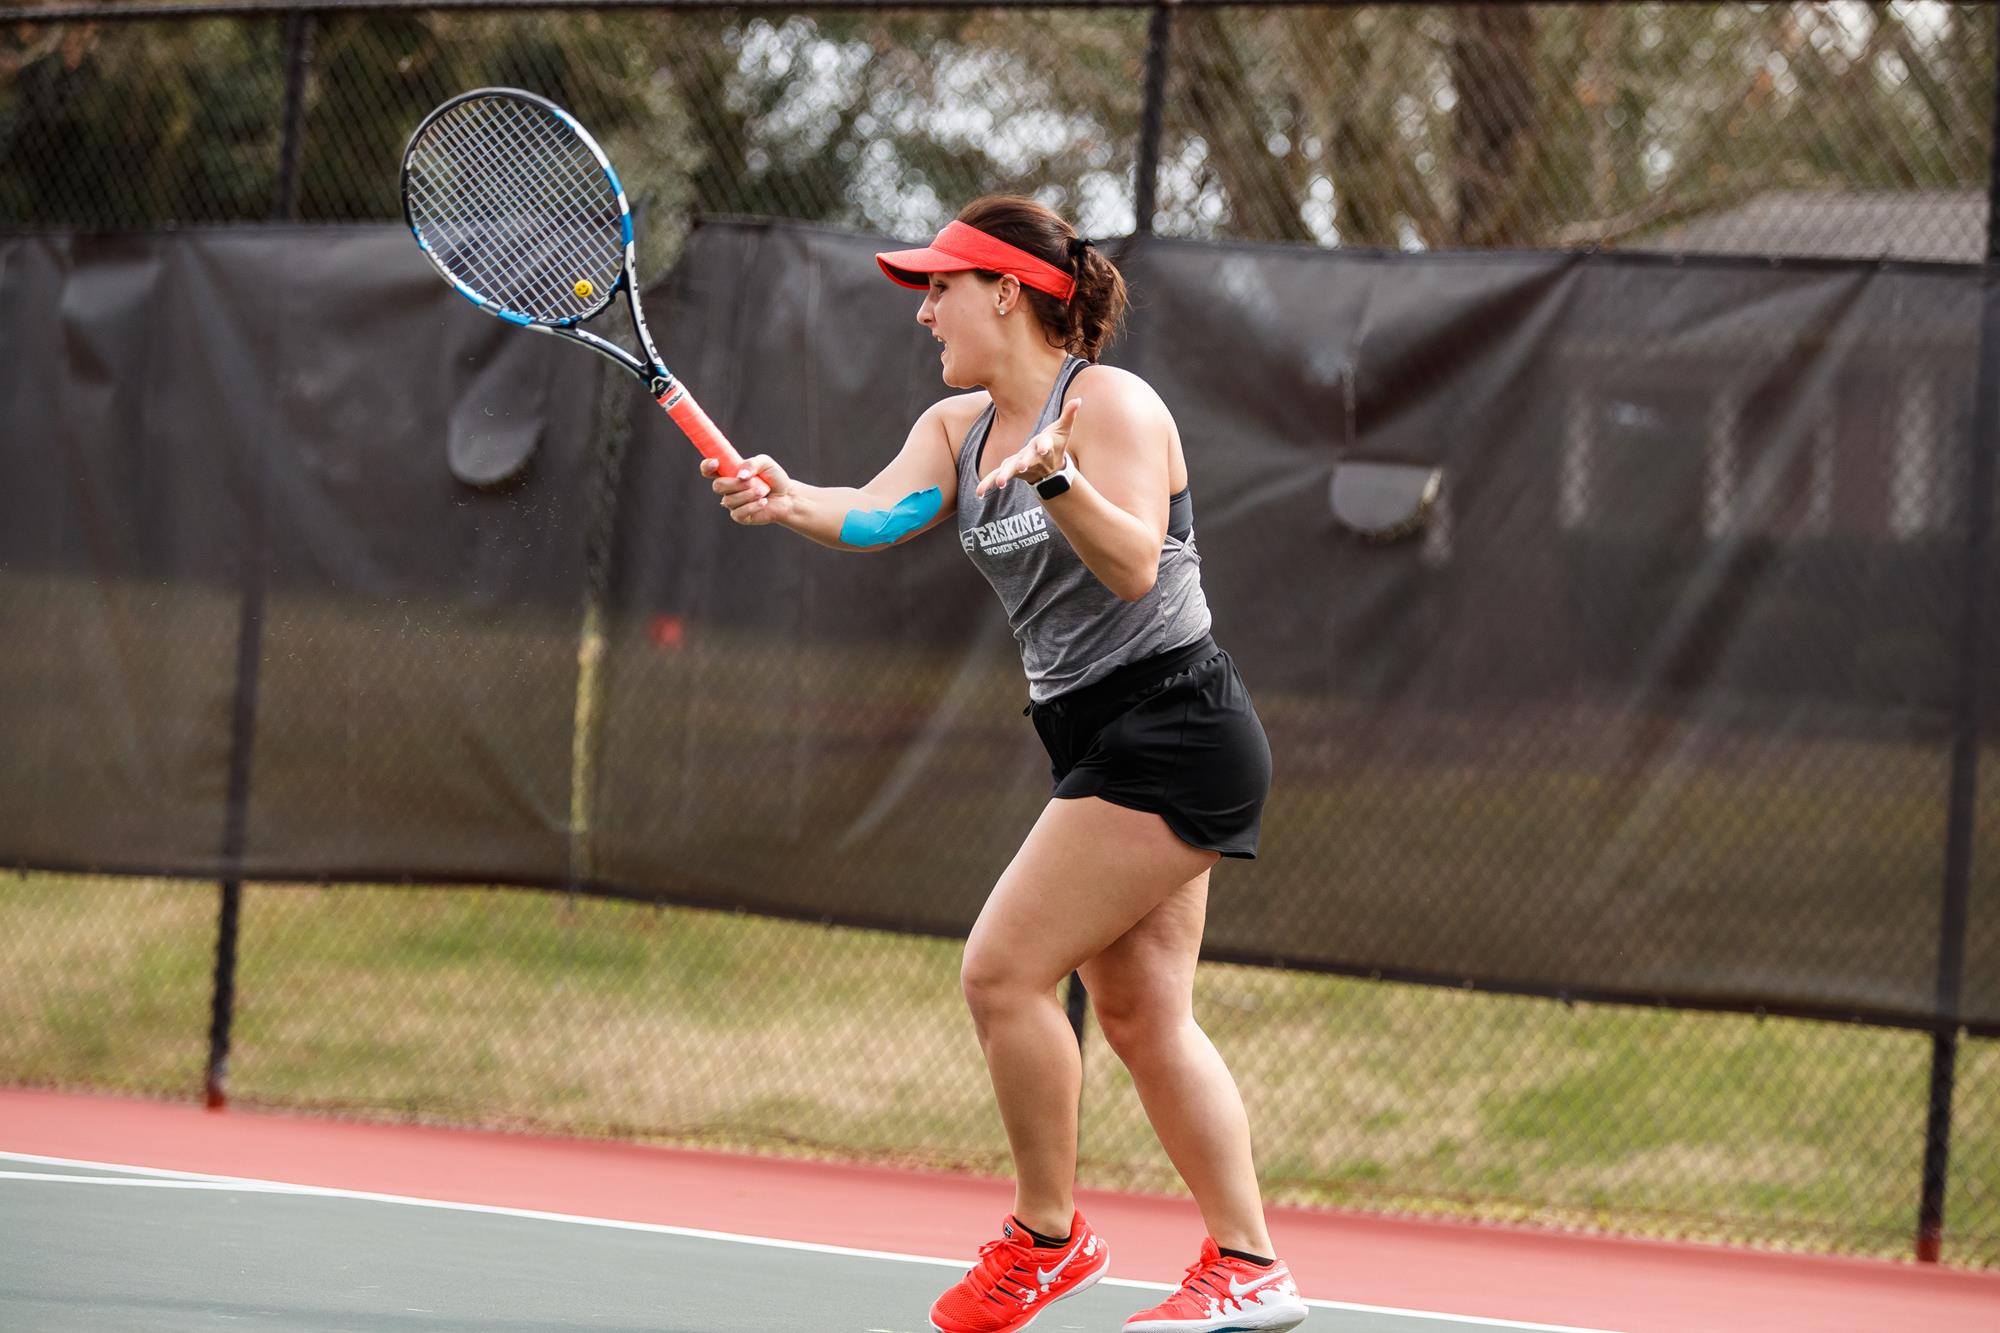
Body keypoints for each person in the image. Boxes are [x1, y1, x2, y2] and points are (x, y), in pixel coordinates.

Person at [700, 195, 1307, 1333]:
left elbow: (1135, 566)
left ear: (1009, 293)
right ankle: (1249, 1265)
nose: (924, 310)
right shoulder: (955, 427)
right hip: (1093, 732)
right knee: (1143, 1017)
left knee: (1000, 972)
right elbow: (877, 516)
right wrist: (788, 502)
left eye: (941, 287)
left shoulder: (1111, 405)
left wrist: (1057, 479)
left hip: (1174, 722)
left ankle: (1046, 1237)